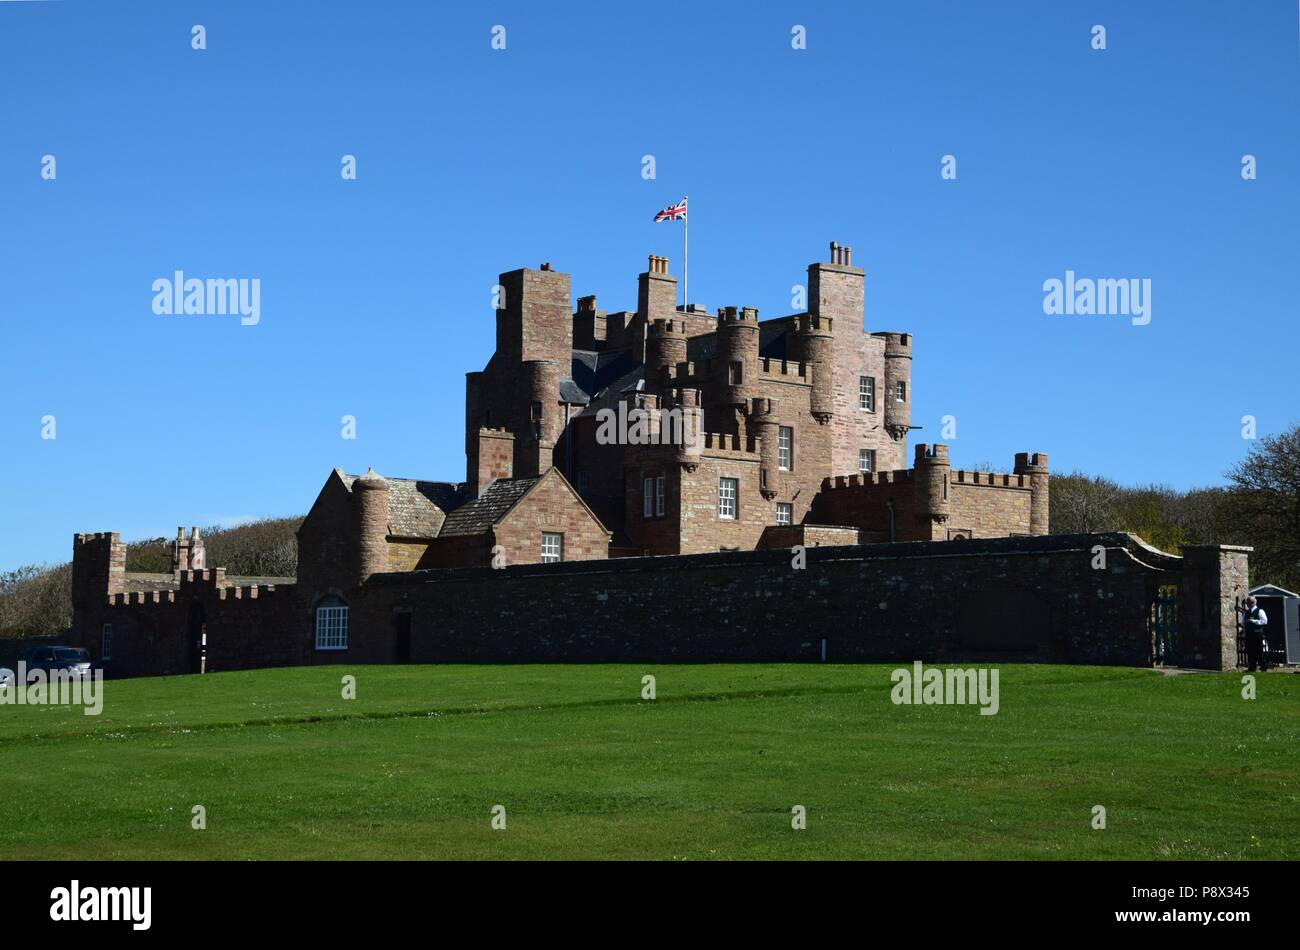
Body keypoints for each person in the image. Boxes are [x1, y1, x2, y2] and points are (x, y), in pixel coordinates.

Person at [1238, 596, 1270, 672]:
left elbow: (1265, 621)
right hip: (1249, 634)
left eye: (1248, 603)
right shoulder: (1246, 612)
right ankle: (1252, 667)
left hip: (1257, 633)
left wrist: (1253, 621)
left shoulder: (1260, 611)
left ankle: (1263, 666)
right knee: (1250, 650)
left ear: (1252, 603)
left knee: (1259, 650)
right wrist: (1243, 624)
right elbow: (1243, 622)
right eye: (1246, 603)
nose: (1247, 604)